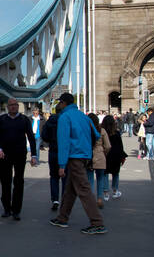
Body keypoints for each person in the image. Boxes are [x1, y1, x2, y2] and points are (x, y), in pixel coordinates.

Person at [49, 92, 106, 235]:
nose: (59, 105)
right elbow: (97, 134)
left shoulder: (64, 117)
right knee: (70, 189)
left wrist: (61, 165)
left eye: (59, 103)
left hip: (74, 156)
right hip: (85, 155)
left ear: (63, 103)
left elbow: (63, 142)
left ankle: (97, 222)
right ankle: (62, 217)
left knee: (83, 189)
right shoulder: (83, 116)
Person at [0, 97, 38, 221]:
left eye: (15, 105)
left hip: (19, 154)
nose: (13, 107)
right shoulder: (2, 119)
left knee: (19, 182)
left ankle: (16, 210)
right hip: (4, 155)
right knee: (5, 182)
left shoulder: (24, 120)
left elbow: (31, 137)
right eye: (11, 105)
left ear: (18, 106)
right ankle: (7, 209)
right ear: (8, 107)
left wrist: (33, 155)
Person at [40, 103, 62, 210]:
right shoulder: (65, 120)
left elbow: (44, 135)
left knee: (54, 176)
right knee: (65, 177)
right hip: (64, 151)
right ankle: (65, 199)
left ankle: (55, 199)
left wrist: (50, 141)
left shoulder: (50, 121)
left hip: (53, 150)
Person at [88, 112, 111, 206]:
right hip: (100, 156)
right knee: (100, 179)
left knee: (90, 180)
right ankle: (100, 199)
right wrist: (104, 153)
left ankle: (91, 199)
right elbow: (108, 146)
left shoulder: (86, 131)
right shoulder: (102, 131)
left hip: (89, 157)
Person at [101, 115, 127, 199]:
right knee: (115, 173)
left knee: (105, 173)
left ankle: (105, 193)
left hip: (105, 155)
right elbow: (120, 146)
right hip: (115, 156)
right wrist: (122, 156)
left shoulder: (102, 132)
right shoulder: (117, 133)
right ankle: (115, 191)